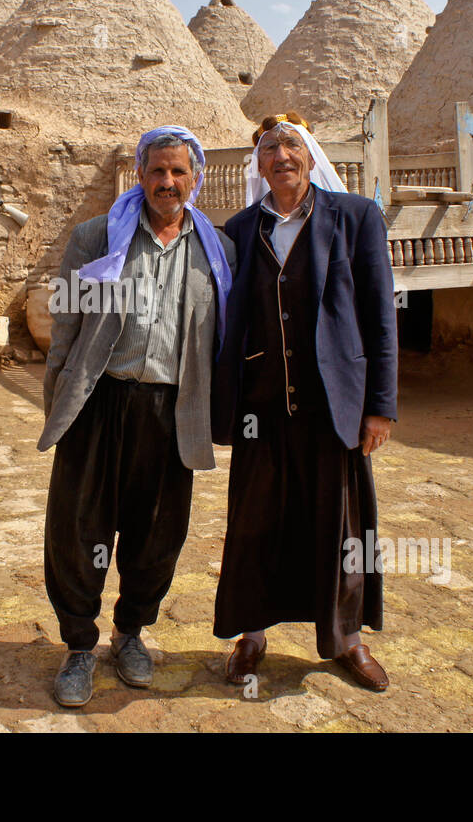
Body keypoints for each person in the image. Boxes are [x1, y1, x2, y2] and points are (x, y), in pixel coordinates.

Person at [38, 125, 235, 708]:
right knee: (78, 528)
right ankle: (78, 646)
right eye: (157, 171)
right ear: (141, 176)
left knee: (157, 531)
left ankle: (131, 634)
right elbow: (65, 328)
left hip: (169, 409)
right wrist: (60, 405)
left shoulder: (215, 249)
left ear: (194, 179)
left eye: (178, 172)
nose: (167, 182)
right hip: (100, 402)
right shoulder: (98, 238)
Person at [210, 112, 397, 691]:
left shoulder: (355, 218)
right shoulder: (239, 230)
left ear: (310, 156)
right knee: (254, 524)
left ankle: (345, 641)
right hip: (260, 409)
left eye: (291, 145)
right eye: (269, 148)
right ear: (259, 164)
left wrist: (380, 405)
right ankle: (251, 634)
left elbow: (379, 312)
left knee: (340, 526)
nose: (281, 155)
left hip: (332, 406)